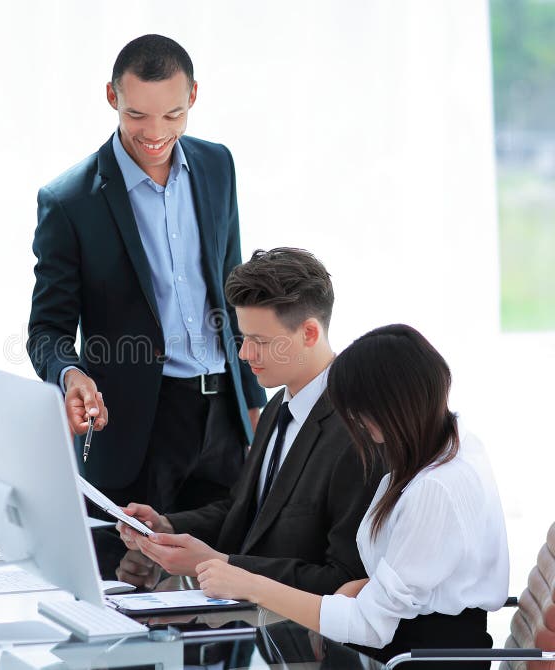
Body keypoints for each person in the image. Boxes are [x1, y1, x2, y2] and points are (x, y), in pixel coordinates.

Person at [27, 34, 265, 513]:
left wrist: (253, 405)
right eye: (137, 115)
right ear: (113, 97)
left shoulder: (218, 165)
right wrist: (70, 373)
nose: (155, 131)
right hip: (132, 432)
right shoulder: (69, 202)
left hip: (225, 420)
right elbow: (46, 331)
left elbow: (234, 289)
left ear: (192, 96)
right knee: (125, 584)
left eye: (172, 115)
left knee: (224, 582)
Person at [195, 324, 509, 668]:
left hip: (415, 657)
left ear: (390, 405)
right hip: (403, 645)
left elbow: (369, 626)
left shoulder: (436, 486)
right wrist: (361, 587)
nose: (356, 422)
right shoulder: (451, 445)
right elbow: (424, 574)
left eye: (357, 409)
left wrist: (251, 585)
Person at [117, 248, 383, 595]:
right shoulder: (277, 407)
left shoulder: (361, 432)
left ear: (309, 334)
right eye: (243, 339)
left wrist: (222, 566)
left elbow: (344, 579)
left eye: (260, 341)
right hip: (251, 625)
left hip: (305, 641)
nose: (244, 355)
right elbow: (246, 510)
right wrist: (165, 526)